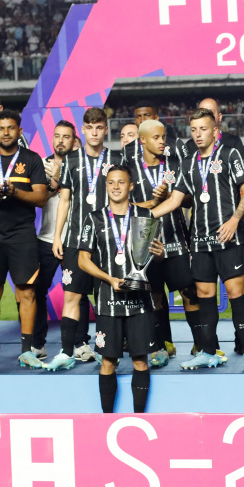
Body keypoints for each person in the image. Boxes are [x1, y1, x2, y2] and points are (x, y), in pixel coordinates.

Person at [151, 108, 244, 371]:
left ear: (215, 131)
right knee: (205, 296)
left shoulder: (230, 155)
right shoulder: (188, 163)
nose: (198, 134)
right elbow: (175, 201)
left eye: (203, 129)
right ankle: (209, 352)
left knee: (236, 294)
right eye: (193, 130)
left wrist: (234, 220)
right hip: (200, 242)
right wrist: (144, 214)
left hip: (228, 239)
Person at [0, 109, 48, 369]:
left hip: (22, 235)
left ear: (19, 131)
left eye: (10, 128)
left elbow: (40, 197)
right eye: (1, 128)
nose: (5, 133)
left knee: (26, 291)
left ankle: (27, 350)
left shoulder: (32, 159)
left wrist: (15, 192)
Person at [48, 107, 124, 370]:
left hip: (108, 242)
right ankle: (66, 352)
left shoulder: (116, 158)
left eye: (99, 127)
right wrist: (58, 236)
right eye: (89, 128)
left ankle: (106, 350)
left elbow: (124, 198)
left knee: (106, 300)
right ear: (83, 129)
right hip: (75, 240)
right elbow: (65, 200)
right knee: (71, 296)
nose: (94, 132)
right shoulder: (70, 160)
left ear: (105, 129)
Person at [78, 165, 156, 413]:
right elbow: (82, 259)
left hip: (139, 302)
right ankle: (107, 420)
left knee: (140, 360)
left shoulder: (145, 216)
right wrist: (108, 278)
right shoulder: (94, 218)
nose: (115, 186)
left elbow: (154, 258)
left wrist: (161, 253)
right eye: (111, 182)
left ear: (130, 186)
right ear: (106, 185)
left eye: (121, 182)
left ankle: (139, 418)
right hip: (107, 301)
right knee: (108, 362)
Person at [127, 119, 198, 366]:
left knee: (189, 293)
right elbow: (123, 206)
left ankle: (200, 342)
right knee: (155, 297)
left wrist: (170, 196)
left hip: (176, 240)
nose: (162, 141)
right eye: (156, 137)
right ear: (143, 140)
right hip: (146, 244)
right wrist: (151, 205)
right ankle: (162, 345)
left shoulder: (175, 165)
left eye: (163, 136)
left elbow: (189, 201)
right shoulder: (130, 168)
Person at [32, 120, 79, 359]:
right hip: (47, 238)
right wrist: (55, 182)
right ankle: (37, 343)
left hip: (74, 239)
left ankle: (80, 344)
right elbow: (39, 196)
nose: (61, 140)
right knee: (38, 291)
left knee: (77, 291)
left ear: (74, 141)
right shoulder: (41, 164)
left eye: (66, 136)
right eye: (57, 136)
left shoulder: (81, 165)